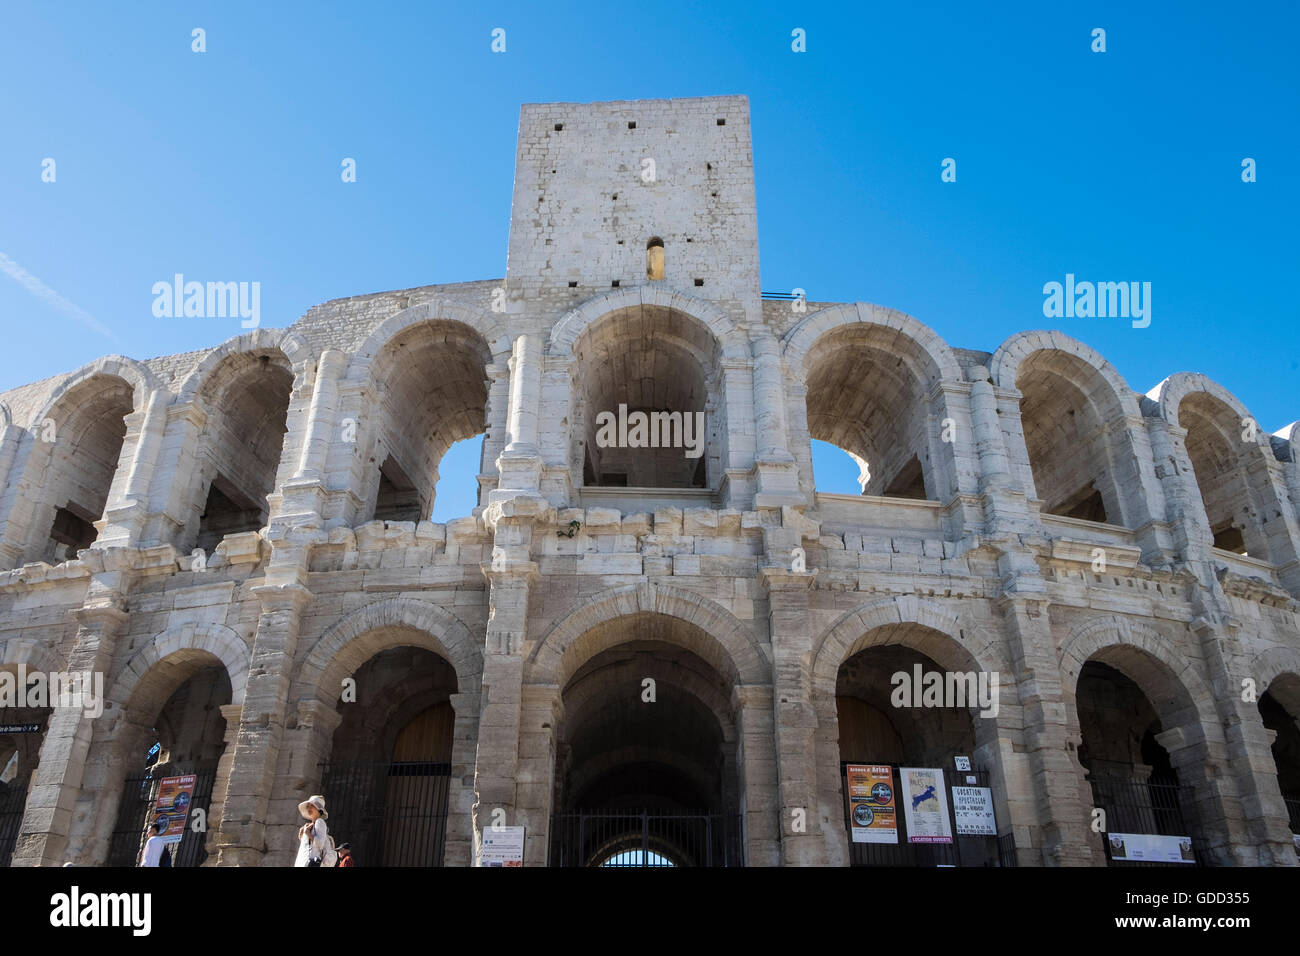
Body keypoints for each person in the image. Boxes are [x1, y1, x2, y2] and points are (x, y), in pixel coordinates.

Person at [295, 795, 330, 867]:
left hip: (310, 863)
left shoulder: (320, 822)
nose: (309, 808)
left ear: (319, 810)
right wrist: (302, 837)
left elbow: (320, 844)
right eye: (308, 806)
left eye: (312, 806)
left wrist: (307, 833)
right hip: (304, 861)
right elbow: (309, 845)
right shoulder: (310, 825)